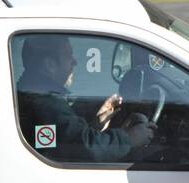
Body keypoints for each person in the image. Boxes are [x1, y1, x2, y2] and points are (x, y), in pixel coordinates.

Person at [15, 35, 155, 162]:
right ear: (50, 65)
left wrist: (97, 123)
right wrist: (130, 138)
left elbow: (66, 142)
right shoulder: (45, 104)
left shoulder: (33, 96)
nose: (74, 62)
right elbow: (85, 149)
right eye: (68, 56)